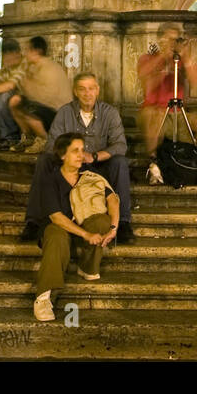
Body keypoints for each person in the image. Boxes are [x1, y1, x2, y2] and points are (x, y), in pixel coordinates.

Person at [21, 74, 134, 244]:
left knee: (120, 162)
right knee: (44, 160)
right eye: (82, 89)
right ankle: (34, 222)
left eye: (91, 88)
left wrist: (95, 156)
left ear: (97, 90)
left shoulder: (110, 113)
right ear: (75, 92)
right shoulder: (65, 112)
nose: (87, 93)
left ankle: (123, 223)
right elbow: (52, 144)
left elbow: (120, 145)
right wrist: (72, 156)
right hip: (70, 166)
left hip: (97, 165)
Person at [32, 132, 120, 322]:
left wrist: (113, 228)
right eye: (75, 151)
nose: (81, 155)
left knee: (102, 221)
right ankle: (44, 297)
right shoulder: (50, 180)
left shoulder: (90, 177)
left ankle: (87, 266)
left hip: (84, 226)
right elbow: (56, 217)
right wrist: (86, 235)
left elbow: (113, 200)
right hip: (59, 228)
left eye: (82, 150)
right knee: (56, 235)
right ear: (63, 155)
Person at [137, 23, 197, 184]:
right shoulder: (148, 58)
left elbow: (196, 81)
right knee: (152, 117)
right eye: (168, 39)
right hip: (154, 109)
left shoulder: (180, 61)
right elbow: (147, 84)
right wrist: (162, 58)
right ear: (160, 40)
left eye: (175, 40)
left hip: (178, 112)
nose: (172, 43)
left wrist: (185, 57)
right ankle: (153, 165)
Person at [8, 37, 73, 154]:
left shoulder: (49, 68)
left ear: (36, 51)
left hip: (58, 112)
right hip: (46, 107)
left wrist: (24, 82)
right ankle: (28, 138)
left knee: (26, 107)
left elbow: (46, 97)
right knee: (15, 101)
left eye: (27, 49)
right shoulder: (34, 66)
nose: (25, 53)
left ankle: (45, 141)